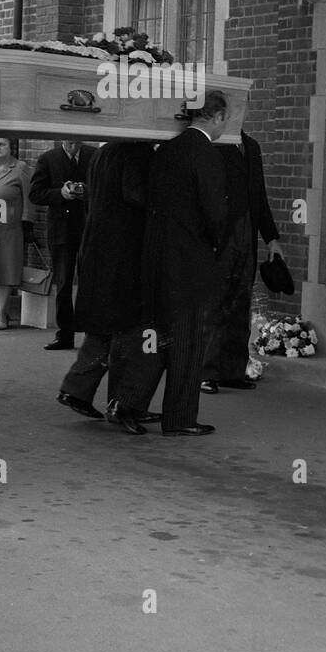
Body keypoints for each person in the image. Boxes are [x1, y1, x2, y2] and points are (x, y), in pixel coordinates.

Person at [112, 93, 230, 436]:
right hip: (190, 262)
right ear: (217, 116)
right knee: (189, 342)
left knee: (158, 337)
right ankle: (179, 417)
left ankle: (127, 401)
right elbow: (215, 213)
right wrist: (216, 246)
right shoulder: (206, 154)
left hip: (158, 258)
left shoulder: (166, 150)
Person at [56, 140, 161, 431]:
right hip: (124, 251)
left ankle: (76, 389)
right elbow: (135, 194)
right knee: (131, 327)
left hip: (97, 247)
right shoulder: (137, 151)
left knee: (103, 325)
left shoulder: (103, 151)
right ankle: (123, 403)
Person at [201, 128, 284, 393]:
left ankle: (233, 370)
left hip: (247, 236)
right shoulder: (212, 145)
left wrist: (271, 238)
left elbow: (259, 195)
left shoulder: (252, 146)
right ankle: (206, 372)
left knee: (240, 303)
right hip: (221, 237)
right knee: (215, 304)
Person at [29, 138, 96, 351]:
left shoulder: (94, 156)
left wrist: (86, 190)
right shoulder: (47, 159)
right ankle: (65, 335)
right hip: (61, 229)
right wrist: (61, 193)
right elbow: (35, 193)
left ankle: (91, 335)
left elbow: (106, 187)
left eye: (75, 141)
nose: (72, 144)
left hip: (88, 227)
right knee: (63, 283)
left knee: (90, 282)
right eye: (68, 141)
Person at [0, 136, 33, 329]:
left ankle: (1, 315)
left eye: (2, 144)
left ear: (10, 147)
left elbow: (29, 197)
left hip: (10, 227)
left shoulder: (20, 168)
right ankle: (1, 312)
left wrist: (27, 221)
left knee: (7, 268)